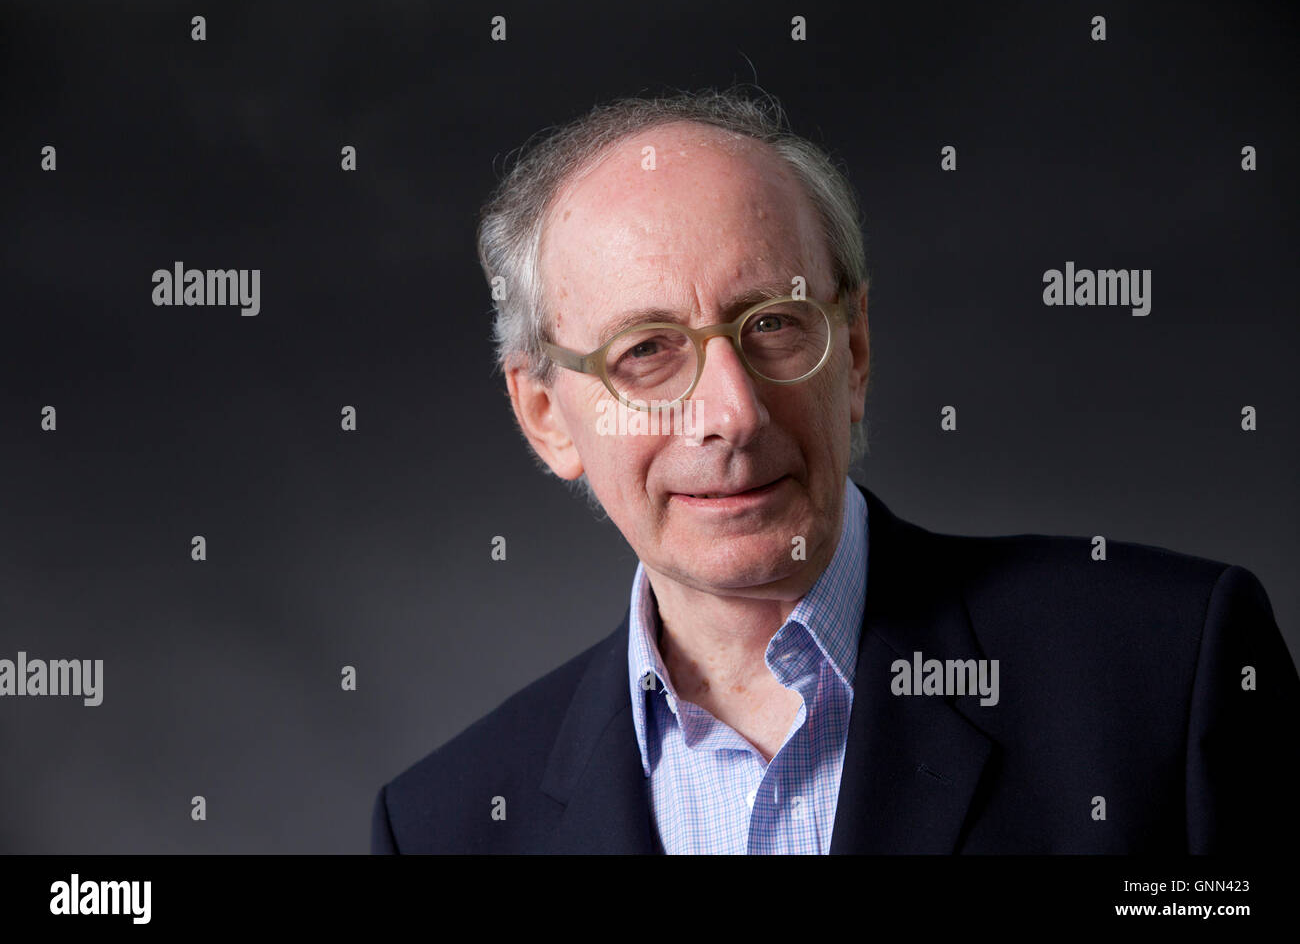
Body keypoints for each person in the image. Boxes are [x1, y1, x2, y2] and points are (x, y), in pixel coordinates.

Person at [371, 87, 1299, 854]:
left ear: (852, 350)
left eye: (772, 323)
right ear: (544, 413)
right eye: (647, 350)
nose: (732, 413)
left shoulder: (1167, 673)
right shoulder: (442, 829)